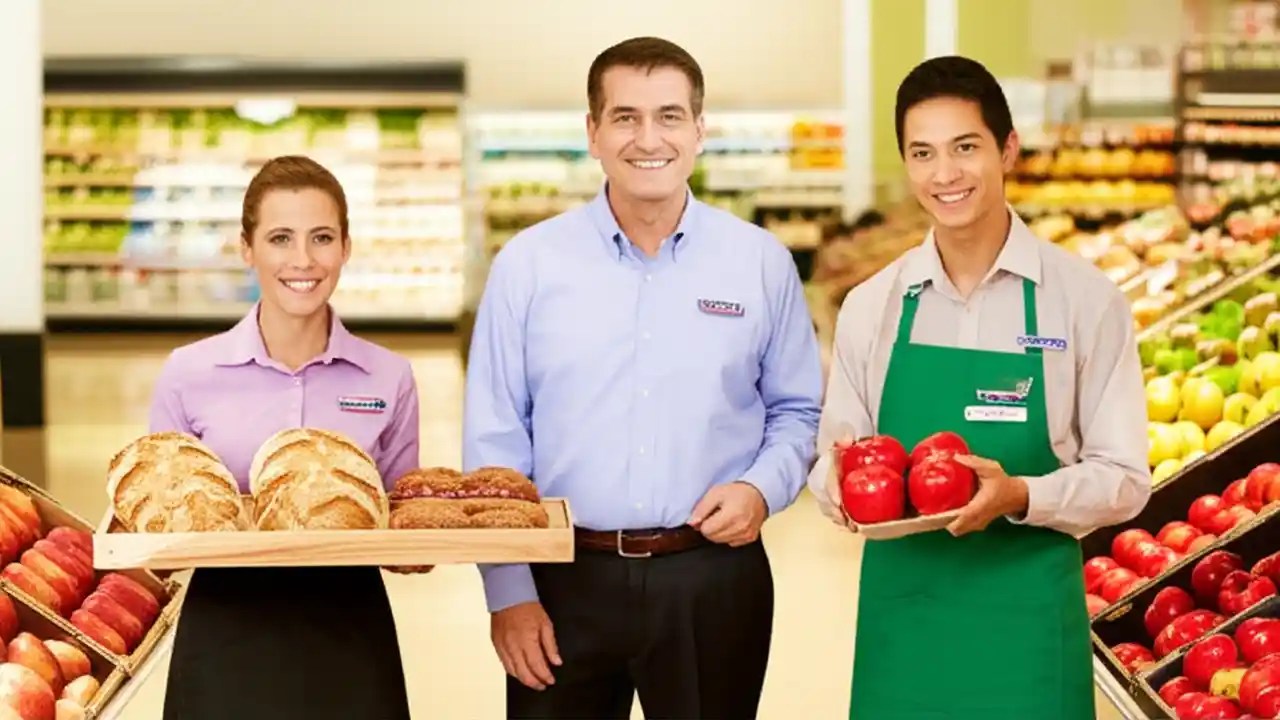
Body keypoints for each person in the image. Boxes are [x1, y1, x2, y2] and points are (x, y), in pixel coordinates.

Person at [464, 36, 824, 720]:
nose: (647, 137)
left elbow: (798, 411)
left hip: (713, 578)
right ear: (593, 133)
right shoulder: (529, 266)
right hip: (562, 578)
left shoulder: (759, 262)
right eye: (625, 117)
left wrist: (761, 486)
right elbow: (495, 441)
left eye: (669, 115)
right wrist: (508, 590)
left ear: (699, 130)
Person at [808, 56, 1151, 719]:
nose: (944, 174)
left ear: (1008, 150)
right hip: (905, 625)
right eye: (923, 153)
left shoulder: (1084, 302)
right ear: (907, 165)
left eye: (965, 147)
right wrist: (839, 488)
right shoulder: (873, 307)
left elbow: (1125, 477)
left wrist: (1022, 493)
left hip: (1026, 628)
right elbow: (836, 461)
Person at [147, 155, 420, 720]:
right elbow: (162, 530)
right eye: (279, 238)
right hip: (224, 635)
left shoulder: (388, 376)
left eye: (321, 237)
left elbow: (399, 524)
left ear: (346, 246)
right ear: (247, 248)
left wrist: (425, 548)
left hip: (350, 633)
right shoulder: (188, 372)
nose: (302, 260)